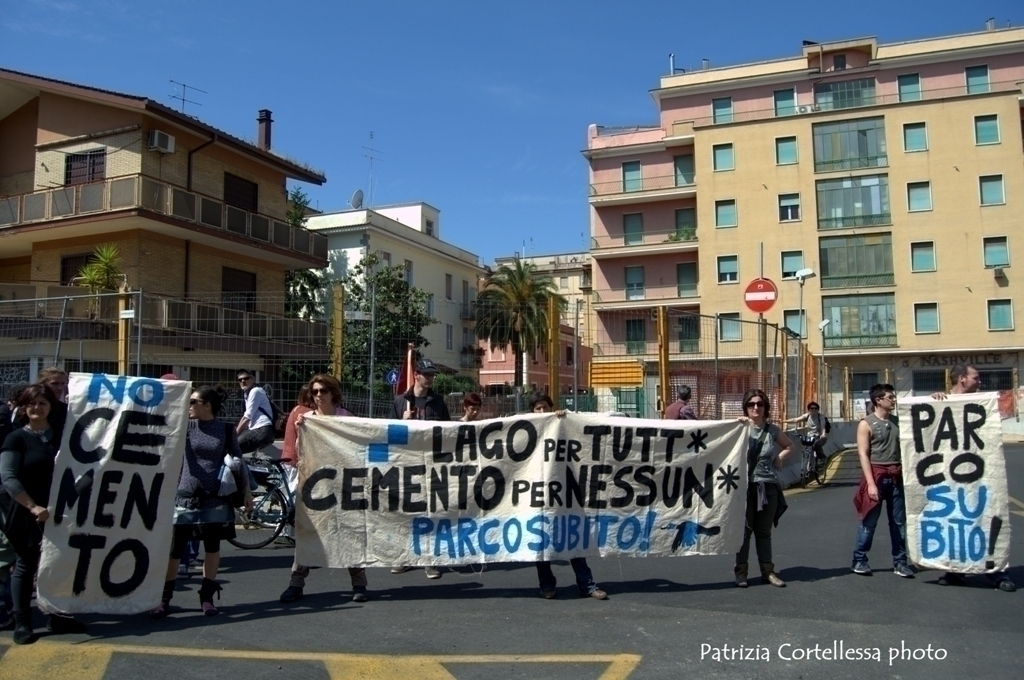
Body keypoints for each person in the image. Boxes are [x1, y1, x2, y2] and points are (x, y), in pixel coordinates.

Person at [151, 385, 252, 619]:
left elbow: (238, 461)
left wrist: (246, 492)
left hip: (215, 498)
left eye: (193, 402)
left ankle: (206, 597)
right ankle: (164, 598)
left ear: (207, 405)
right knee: (175, 550)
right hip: (185, 496)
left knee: (212, 548)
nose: (189, 407)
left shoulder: (225, 430)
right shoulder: (184, 427)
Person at [0, 384, 87, 644]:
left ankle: (57, 616)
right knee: (26, 565)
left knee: (59, 564)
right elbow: (8, 477)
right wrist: (33, 507)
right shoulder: (16, 438)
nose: (36, 408)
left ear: (51, 406)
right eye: (31, 404)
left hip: (61, 512)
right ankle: (23, 622)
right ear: (23, 408)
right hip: (26, 512)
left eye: (42, 403)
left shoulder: (63, 435)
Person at [280, 374, 371, 604]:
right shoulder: (306, 419)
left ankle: (359, 583)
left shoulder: (346, 418)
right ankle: (296, 583)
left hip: (343, 485)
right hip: (313, 486)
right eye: (315, 391)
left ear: (333, 393)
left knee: (349, 533)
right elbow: (301, 453)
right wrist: (302, 432)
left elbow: (358, 448)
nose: (318, 395)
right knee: (308, 533)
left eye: (323, 391)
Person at [930, 364, 1015, 592]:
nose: (980, 382)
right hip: (951, 478)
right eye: (976, 378)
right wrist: (933, 402)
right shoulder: (942, 401)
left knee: (987, 519)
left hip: (981, 477)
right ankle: (955, 570)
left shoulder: (982, 404)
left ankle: (996, 571)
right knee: (954, 521)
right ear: (961, 379)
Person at [530, 393, 607, 600]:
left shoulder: (561, 423)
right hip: (539, 496)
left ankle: (587, 585)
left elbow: (581, 426)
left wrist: (565, 416)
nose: (542, 412)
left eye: (545, 407)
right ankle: (547, 585)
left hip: (565, 493)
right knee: (542, 543)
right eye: (537, 408)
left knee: (573, 538)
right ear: (532, 411)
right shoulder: (526, 427)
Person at [389, 359, 450, 579]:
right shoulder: (400, 402)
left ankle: (429, 560)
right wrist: (402, 423)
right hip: (406, 464)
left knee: (429, 512)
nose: (431, 378)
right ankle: (404, 557)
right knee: (406, 512)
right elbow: (390, 436)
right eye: (427, 374)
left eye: (433, 375)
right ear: (416, 375)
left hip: (431, 464)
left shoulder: (438, 402)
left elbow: (447, 432)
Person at [851, 384, 914, 579]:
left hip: (896, 475)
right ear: (878, 400)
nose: (893, 400)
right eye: (890, 397)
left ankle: (900, 562)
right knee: (869, 522)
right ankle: (859, 559)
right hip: (877, 475)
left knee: (898, 523)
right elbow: (863, 454)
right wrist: (870, 483)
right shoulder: (866, 423)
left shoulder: (898, 422)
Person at [734, 388, 793, 588]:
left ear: (765, 407)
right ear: (746, 407)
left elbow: (789, 446)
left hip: (767, 487)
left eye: (759, 404)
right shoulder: (739, 428)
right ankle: (741, 572)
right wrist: (736, 425)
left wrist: (779, 457)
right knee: (744, 532)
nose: (756, 407)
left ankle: (768, 572)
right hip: (745, 488)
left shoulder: (773, 430)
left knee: (764, 532)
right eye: (751, 404)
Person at [235, 369, 276, 454]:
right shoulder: (247, 394)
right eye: (240, 380)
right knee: (236, 451)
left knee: (232, 446)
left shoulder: (255, 391)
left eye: (246, 378)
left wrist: (234, 435)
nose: (243, 381)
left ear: (253, 379)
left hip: (262, 430)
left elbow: (247, 417)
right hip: (259, 430)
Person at [36, 367, 69, 444]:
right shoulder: (29, 409)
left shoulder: (66, 409)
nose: (60, 388)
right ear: (42, 384)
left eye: (63, 383)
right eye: (55, 384)